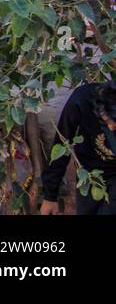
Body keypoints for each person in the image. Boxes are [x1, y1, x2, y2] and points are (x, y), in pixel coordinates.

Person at [40, 80, 116, 215]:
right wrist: (50, 196)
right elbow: (62, 143)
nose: (111, 127)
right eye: (108, 121)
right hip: (88, 173)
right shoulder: (82, 99)